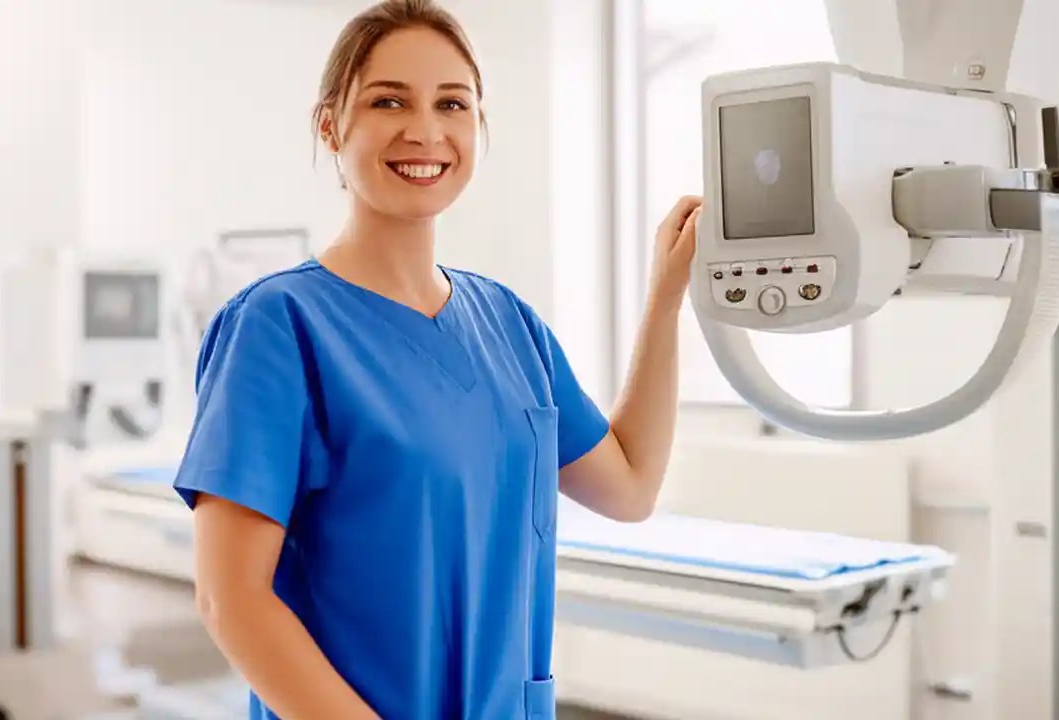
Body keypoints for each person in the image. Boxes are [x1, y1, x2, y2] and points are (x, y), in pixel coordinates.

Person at [173, 1, 702, 717]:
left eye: (452, 103)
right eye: (388, 101)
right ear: (329, 125)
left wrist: (665, 300)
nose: (424, 131)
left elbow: (630, 488)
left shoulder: (511, 324)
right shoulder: (278, 327)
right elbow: (232, 599)